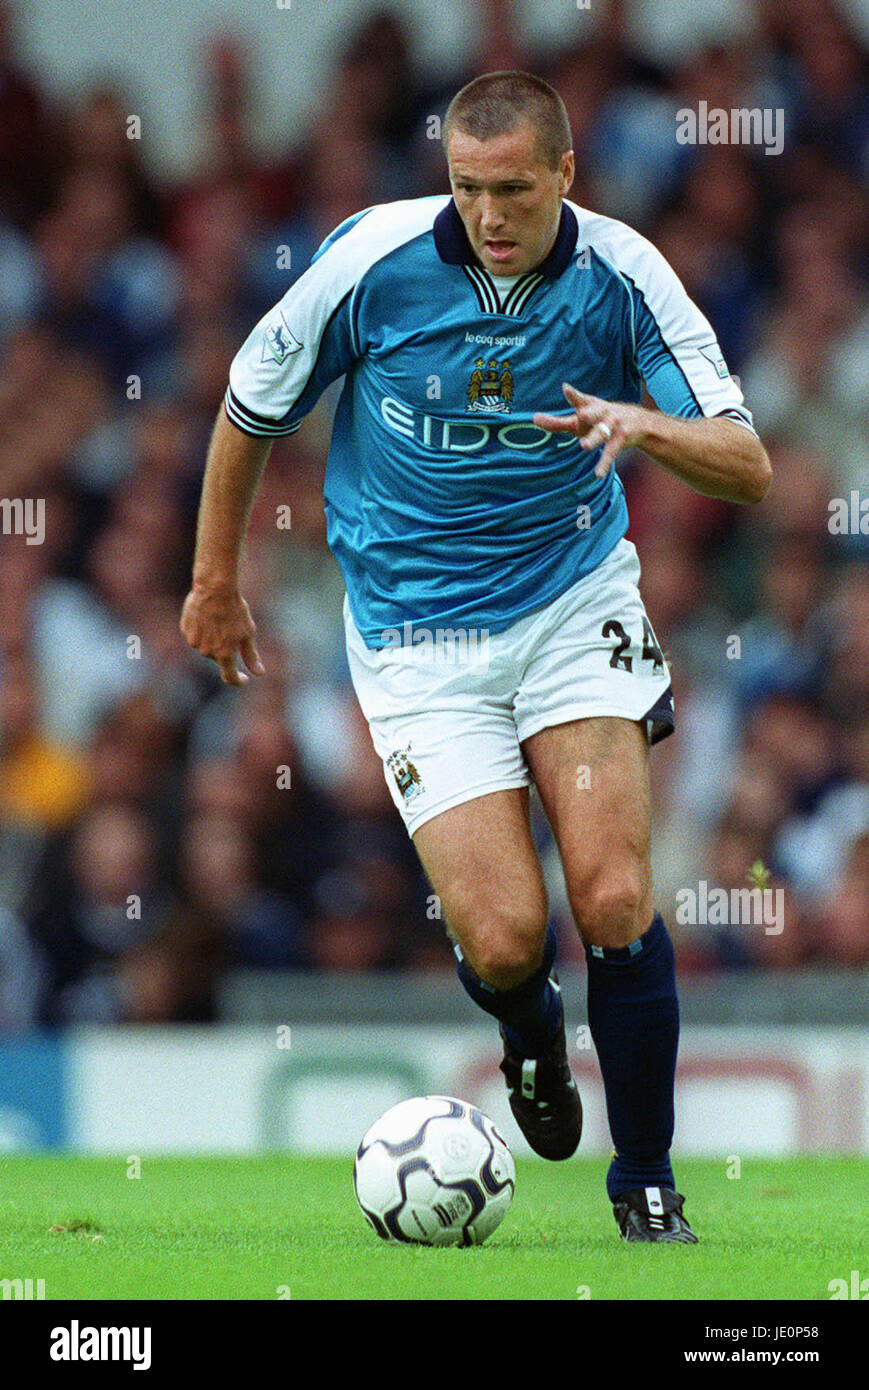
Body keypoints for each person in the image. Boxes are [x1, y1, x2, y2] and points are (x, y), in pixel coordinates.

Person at [181, 71, 771, 1243]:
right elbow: (249, 408)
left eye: (512, 188)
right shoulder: (369, 264)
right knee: (505, 935)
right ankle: (526, 1032)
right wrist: (213, 584)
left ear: (565, 175)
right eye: (465, 186)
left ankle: (643, 1182)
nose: (488, 212)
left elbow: (744, 463)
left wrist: (647, 426)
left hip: (568, 604)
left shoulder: (623, 274)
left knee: (609, 890)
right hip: (414, 635)